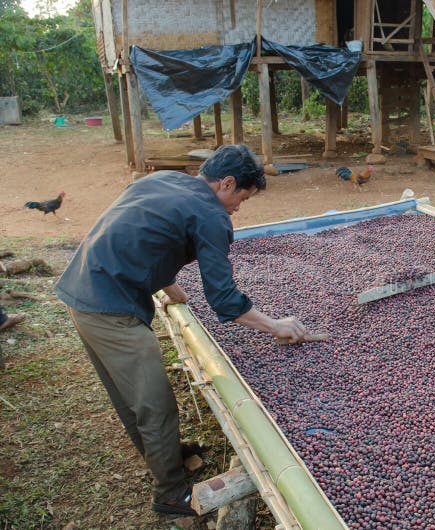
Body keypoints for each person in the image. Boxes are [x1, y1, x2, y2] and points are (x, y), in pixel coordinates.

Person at [54, 144, 310, 516]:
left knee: (128, 394)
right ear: (226, 183)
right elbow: (222, 298)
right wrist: (273, 325)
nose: (239, 206)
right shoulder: (212, 216)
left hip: (81, 287)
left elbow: (144, 232)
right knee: (155, 404)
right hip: (111, 309)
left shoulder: (165, 179)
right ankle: (171, 495)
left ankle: (165, 455)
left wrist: (168, 284)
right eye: (242, 196)